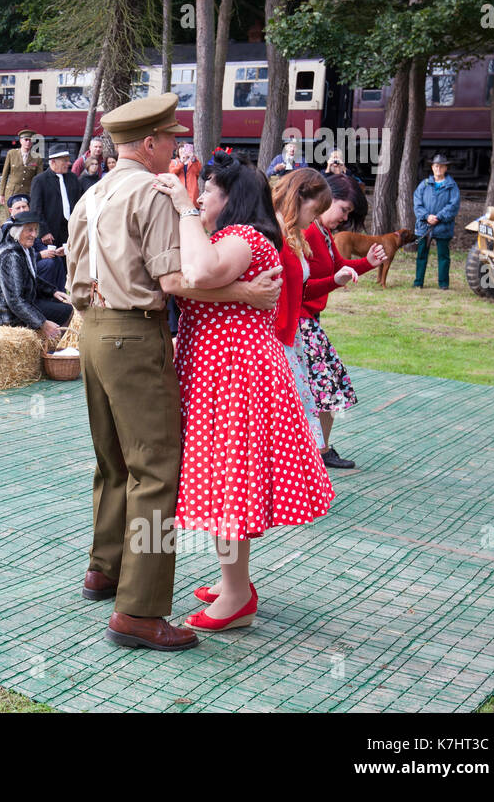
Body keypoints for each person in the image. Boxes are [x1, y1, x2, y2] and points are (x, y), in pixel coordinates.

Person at [65, 94, 281, 652]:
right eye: (170, 140)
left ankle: (104, 569)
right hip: (134, 336)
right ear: (150, 144)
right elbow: (177, 280)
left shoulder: (91, 194)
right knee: (156, 473)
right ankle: (139, 611)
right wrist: (247, 294)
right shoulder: (152, 194)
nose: (176, 151)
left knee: (112, 461)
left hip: (90, 329)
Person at [152, 152, 333, 634]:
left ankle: (236, 596)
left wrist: (185, 211)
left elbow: (201, 276)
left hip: (234, 377)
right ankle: (236, 583)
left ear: (231, 199)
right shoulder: (234, 237)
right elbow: (180, 280)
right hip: (227, 372)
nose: (202, 196)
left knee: (228, 485)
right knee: (224, 483)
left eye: (209, 190)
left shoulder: (244, 239)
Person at [301, 174, 387, 469]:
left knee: (326, 387)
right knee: (325, 388)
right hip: (301, 323)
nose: (345, 217)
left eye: (349, 212)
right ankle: (318, 451)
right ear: (326, 199)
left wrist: (368, 264)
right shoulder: (308, 232)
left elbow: (339, 267)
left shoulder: (321, 232)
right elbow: (305, 286)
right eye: (344, 209)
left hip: (309, 321)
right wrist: (335, 281)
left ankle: (319, 450)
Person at [271, 168, 333, 457]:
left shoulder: (291, 233)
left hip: (288, 336)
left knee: (295, 418)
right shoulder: (274, 232)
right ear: (299, 197)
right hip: (276, 337)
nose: (317, 216)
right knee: (287, 419)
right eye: (316, 208)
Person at [0, 210, 72, 340]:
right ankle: (55, 350)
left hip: (21, 304)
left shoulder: (25, 248)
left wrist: (52, 292)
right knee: (66, 311)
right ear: (17, 231)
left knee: (63, 306)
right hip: (3, 313)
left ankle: (53, 347)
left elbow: (31, 277)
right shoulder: (10, 256)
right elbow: (14, 300)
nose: (34, 235)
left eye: (36, 230)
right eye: (29, 230)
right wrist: (43, 323)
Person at [29, 145, 82, 292]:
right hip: (50, 232)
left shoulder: (72, 178)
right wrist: (44, 231)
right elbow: (36, 209)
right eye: (64, 160)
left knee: (71, 262)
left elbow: (79, 203)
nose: (68, 163)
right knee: (54, 265)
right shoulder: (40, 181)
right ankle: (54, 294)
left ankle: (71, 294)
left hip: (70, 229)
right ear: (53, 162)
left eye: (68, 160)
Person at [413, 154, 460, 290]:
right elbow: (417, 203)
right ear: (432, 167)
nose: (438, 168)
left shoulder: (452, 186)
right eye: (436, 166)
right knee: (421, 255)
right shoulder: (424, 184)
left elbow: (454, 205)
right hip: (424, 226)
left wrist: (439, 217)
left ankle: (443, 283)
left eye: (441, 166)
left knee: (443, 256)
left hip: (443, 226)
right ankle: (418, 282)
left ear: (446, 168)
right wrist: (426, 216)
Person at [0, 128, 41, 205]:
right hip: (11, 193)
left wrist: (38, 196)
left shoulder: (37, 158)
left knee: (25, 216)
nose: (28, 142)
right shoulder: (11, 154)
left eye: (30, 140)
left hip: (27, 195)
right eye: (26, 140)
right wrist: (1, 193)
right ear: (21, 141)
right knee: (10, 216)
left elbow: (39, 179)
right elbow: (4, 175)